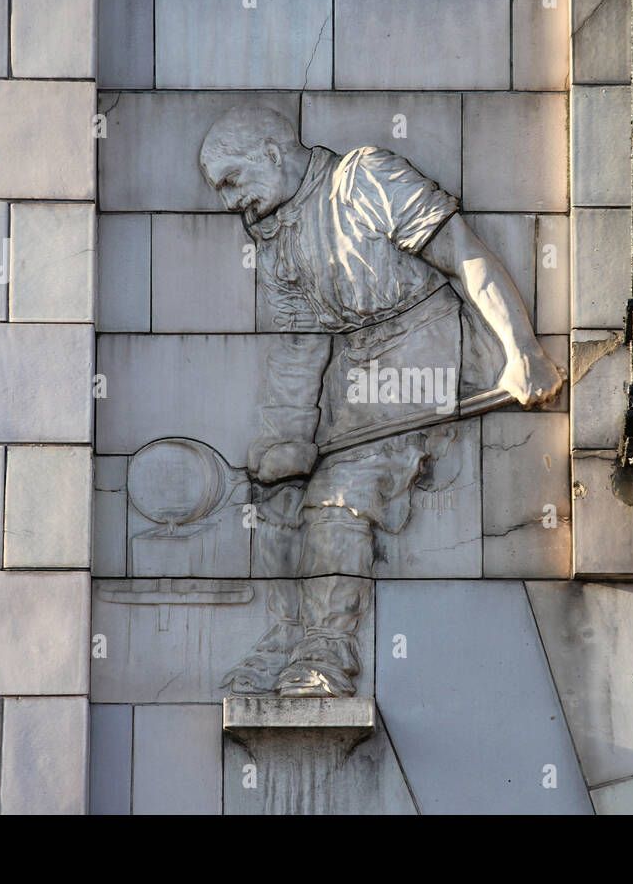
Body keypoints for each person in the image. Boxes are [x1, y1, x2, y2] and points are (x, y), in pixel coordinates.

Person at [199, 105, 562, 697]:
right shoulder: (274, 239)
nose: (227, 203)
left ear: (270, 153)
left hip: (426, 347)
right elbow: (298, 350)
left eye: (232, 182)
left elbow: (465, 257)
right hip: (357, 369)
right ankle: (289, 635)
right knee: (279, 496)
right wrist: (287, 440)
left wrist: (523, 352)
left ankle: (327, 653)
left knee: (339, 498)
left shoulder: (364, 178)